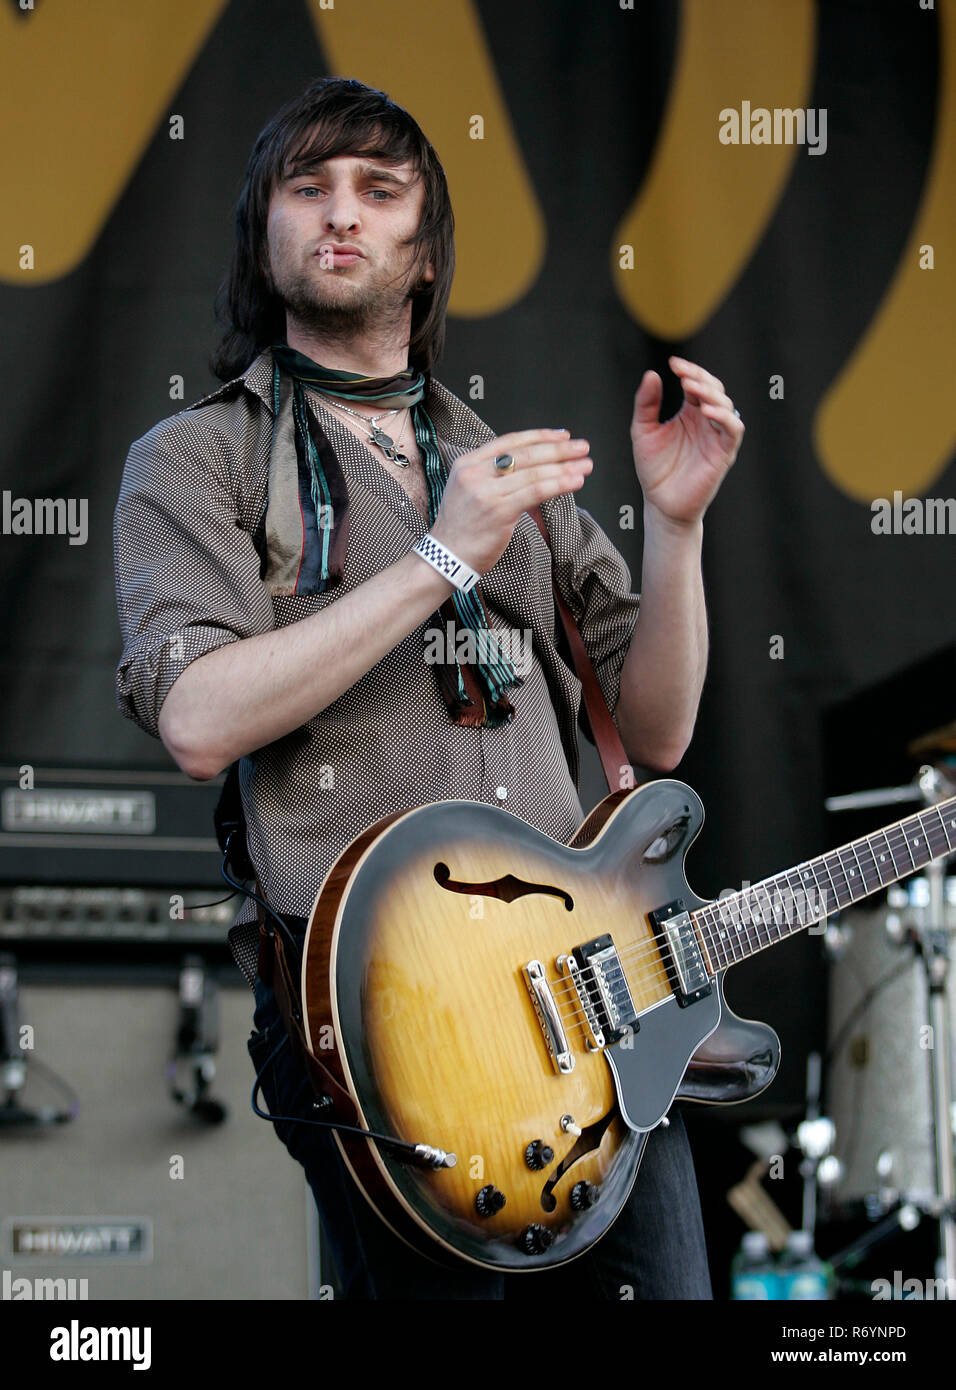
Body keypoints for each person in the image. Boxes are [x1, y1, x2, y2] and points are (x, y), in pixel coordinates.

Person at [113, 76, 744, 1300]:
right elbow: (196, 720)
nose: (339, 214)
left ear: (421, 250)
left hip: (590, 1014)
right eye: (308, 188)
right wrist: (440, 553)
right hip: (386, 1026)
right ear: (267, 231)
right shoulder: (196, 459)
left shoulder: (508, 471)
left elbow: (656, 731)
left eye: (378, 190)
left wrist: (678, 532)